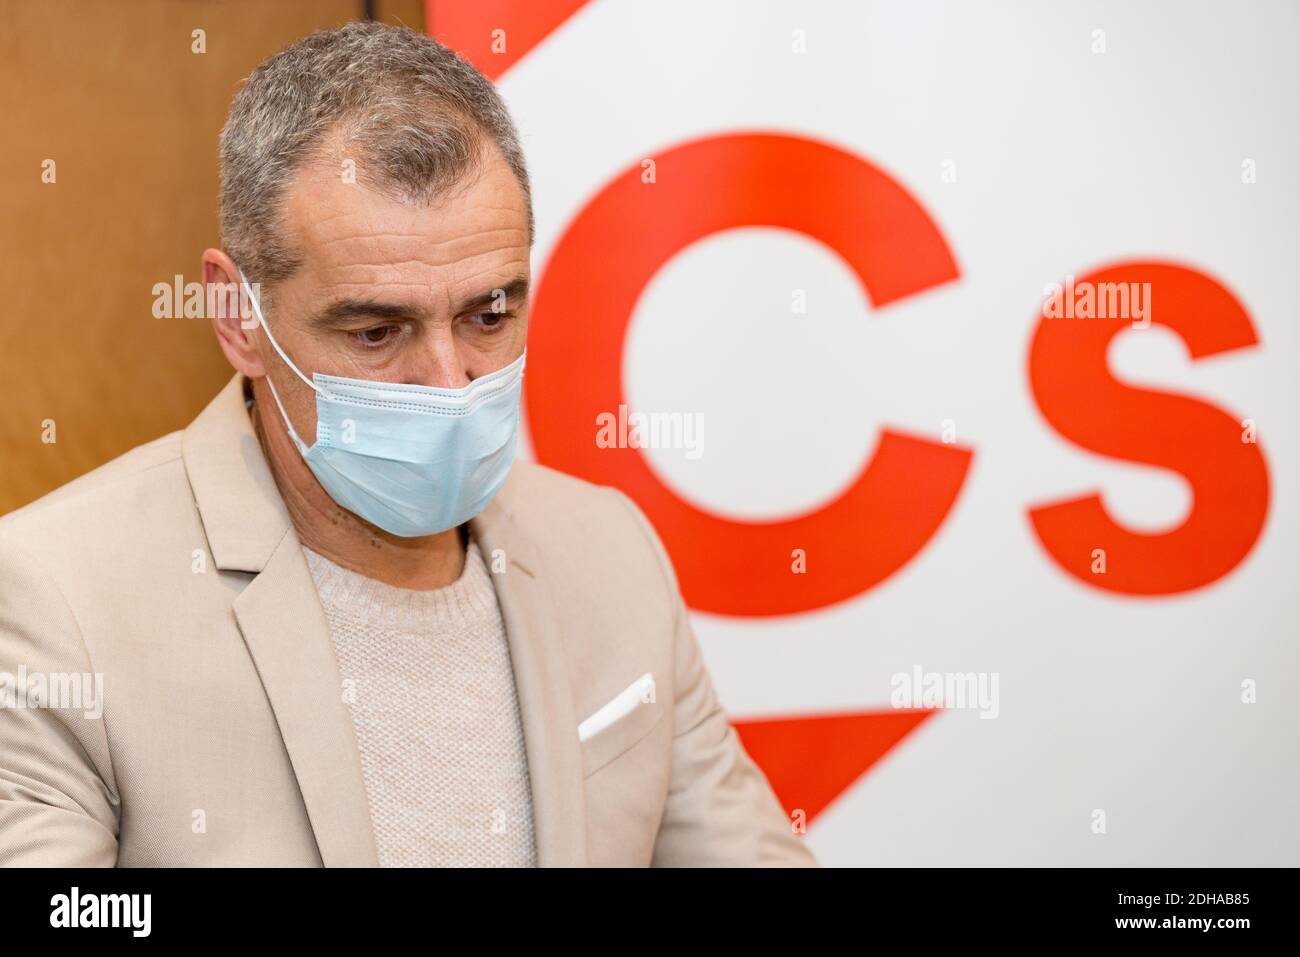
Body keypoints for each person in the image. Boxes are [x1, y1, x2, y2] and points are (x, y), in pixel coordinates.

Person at [0, 21, 815, 867]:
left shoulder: (610, 550)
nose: (450, 382)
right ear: (238, 313)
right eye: (378, 331)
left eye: (488, 316)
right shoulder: (54, 601)